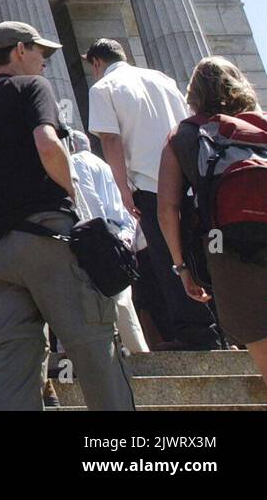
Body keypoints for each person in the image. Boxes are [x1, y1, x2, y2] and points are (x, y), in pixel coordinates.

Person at [0, 21, 135, 411]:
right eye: (41, 53)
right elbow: (47, 143)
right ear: (19, 50)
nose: (45, 63)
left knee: (16, 363)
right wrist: (76, 201)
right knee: (94, 347)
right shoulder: (32, 88)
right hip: (50, 237)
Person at [84, 38, 219, 350]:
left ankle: (195, 335)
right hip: (191, 181)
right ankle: (221, 332)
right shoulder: (162, 79)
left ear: (96, 63)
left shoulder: (104, 87)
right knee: (201, 253)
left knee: (170, 259)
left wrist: (122, 190)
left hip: (151, 186)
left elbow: (110, 140)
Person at [159, 56, 267, 383]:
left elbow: (167, 208)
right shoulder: (262, 123)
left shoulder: (184, 134)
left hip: (226, 247)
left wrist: (182, 267)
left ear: (193, 94)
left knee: (260, 343)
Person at [67, 129, 148, 354]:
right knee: (123, 300)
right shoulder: (104, 165)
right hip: (120, 232)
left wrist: (93, 237)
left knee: (108, 299)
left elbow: (89, 202)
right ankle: (138, 353)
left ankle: (113, 353)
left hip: (100, 233)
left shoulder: (76, 162)